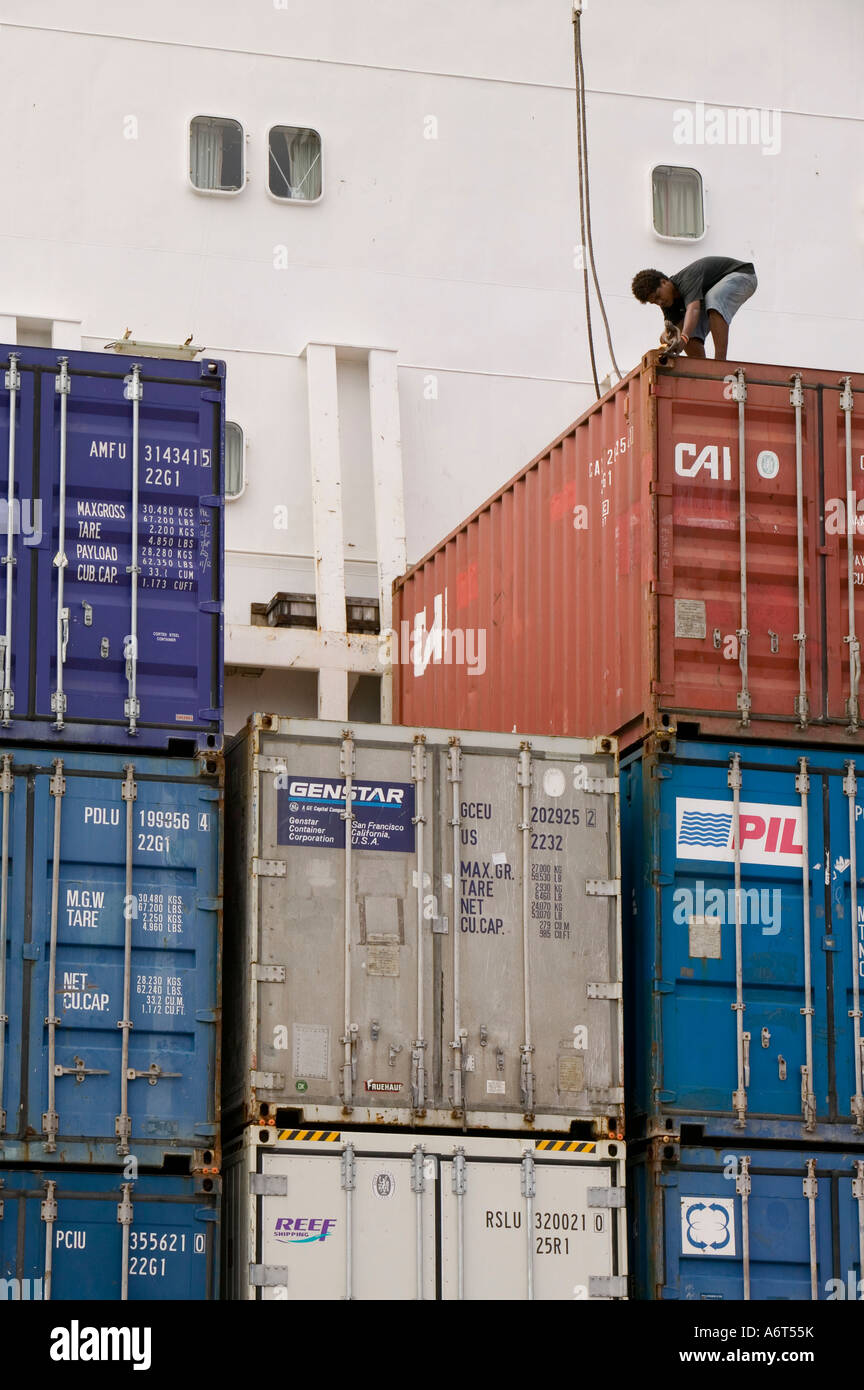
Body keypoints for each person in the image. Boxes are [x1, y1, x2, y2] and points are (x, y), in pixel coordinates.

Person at [631, 256, 757, 360]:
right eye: (655, 302)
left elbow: (694, 309)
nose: (660, 302)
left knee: (712, 298)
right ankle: (703, 369)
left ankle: (720, 362)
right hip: (710, 294)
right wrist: (668, 339)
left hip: (743, 276)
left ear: (664, 282)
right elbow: (675, 331)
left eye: (658, 296)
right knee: (687, 332)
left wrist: (683, 338)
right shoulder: (668, 304)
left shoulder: (686, 279)